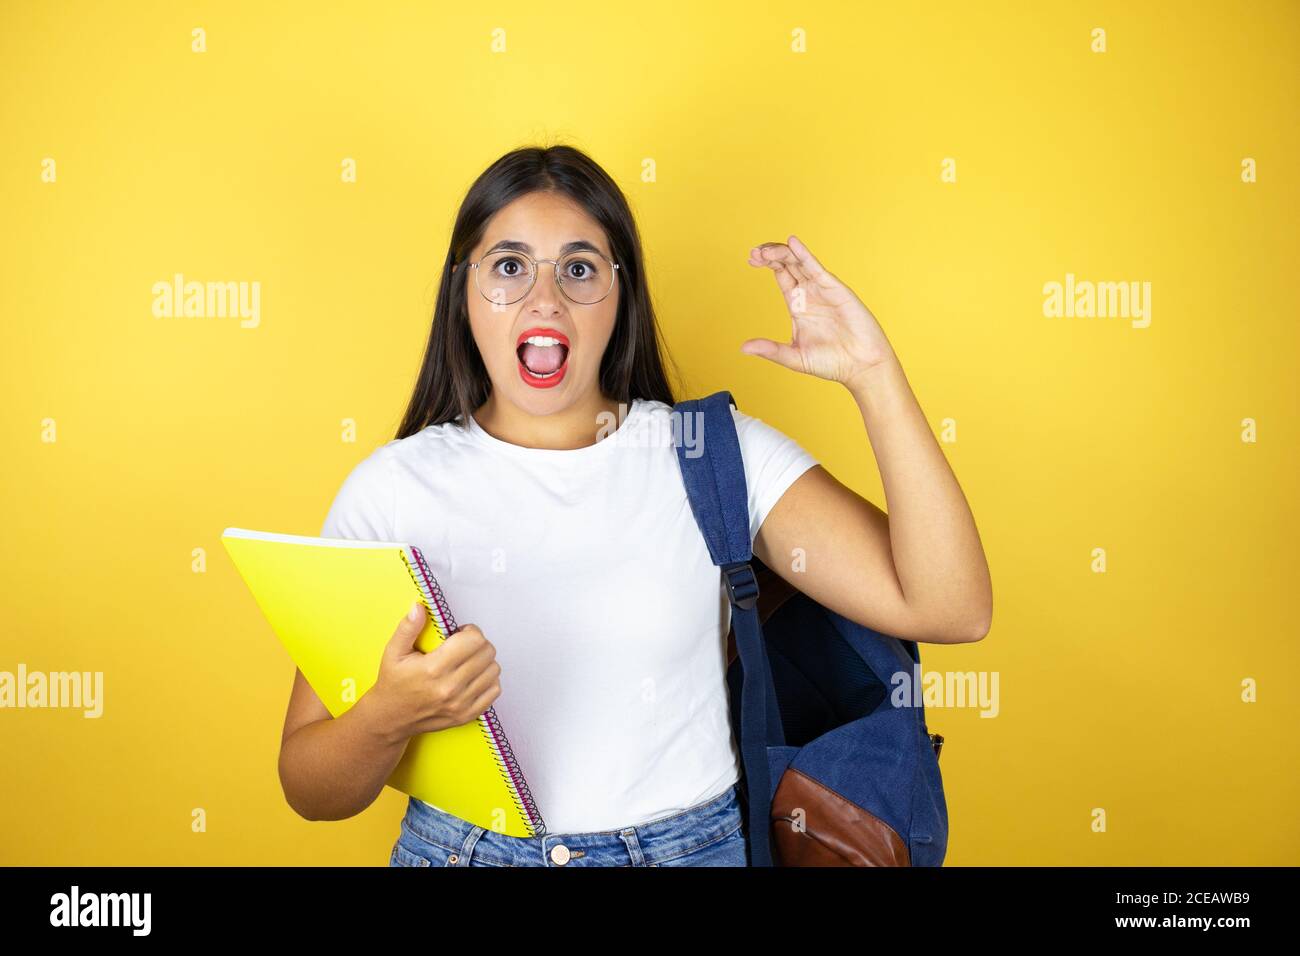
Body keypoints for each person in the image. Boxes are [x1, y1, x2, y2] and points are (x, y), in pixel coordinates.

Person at [276, 144, 993, 867]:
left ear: (622, 297)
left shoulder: (710, 454)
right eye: (509, 266)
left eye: (580, 269)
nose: (544, 299)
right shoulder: (391, 491)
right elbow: (310, 788)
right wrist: (385, 719)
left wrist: (873, 375)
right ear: (463, 292)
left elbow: (950, 607)